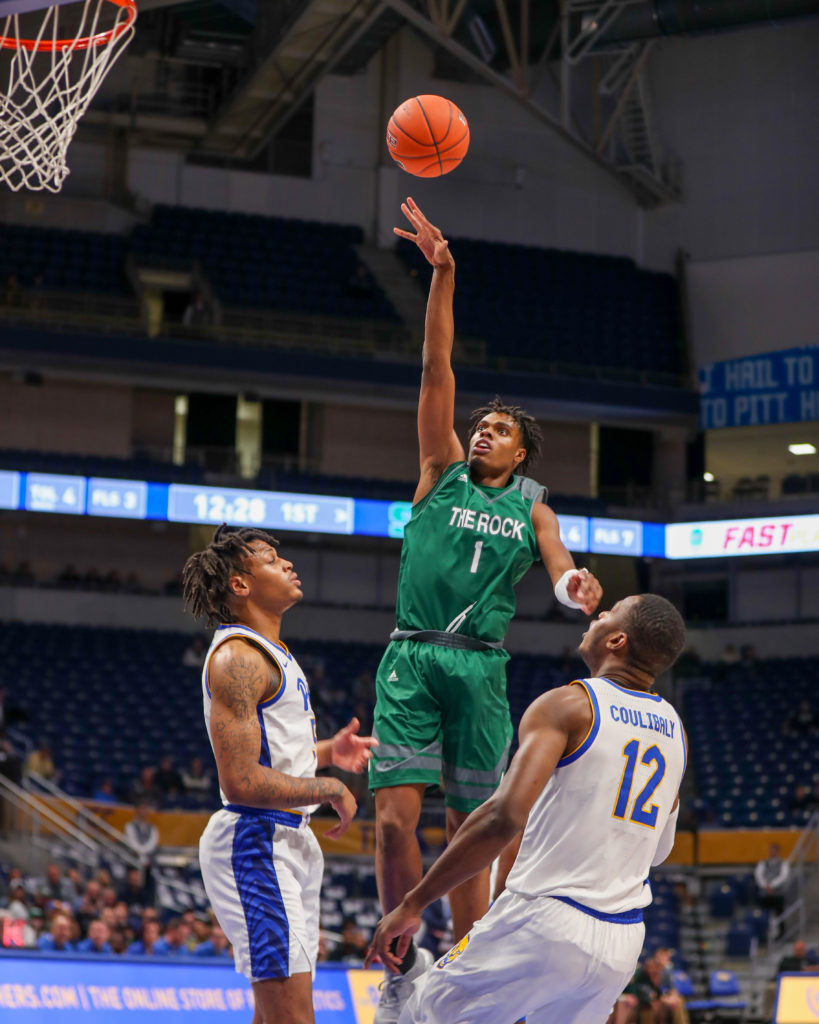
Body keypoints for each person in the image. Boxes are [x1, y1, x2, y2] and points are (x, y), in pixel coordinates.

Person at [369, 198, 603, 1022]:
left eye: (498, 431)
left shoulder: (534, 503)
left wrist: (574, 589)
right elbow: (436, 369)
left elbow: (561, 569)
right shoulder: (439, 469)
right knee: (394, 823)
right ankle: (402, 960)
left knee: (473, 829)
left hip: (481, 670)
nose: (481, 433)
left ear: (522, 452)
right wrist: (443, 273)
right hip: (411, 654)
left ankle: (463, 981)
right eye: (480, 425)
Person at [366, 593, 687, 1024]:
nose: (597, 615)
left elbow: (503, 817)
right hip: (621, 940)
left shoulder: (570, 705)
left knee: (418, 1015)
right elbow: (659, 851)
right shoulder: (675, 730)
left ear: (617, 641)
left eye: (609, 613)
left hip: (547, 920)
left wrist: (413, 903)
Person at [181, 524, 377, 1024]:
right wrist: (328, 785)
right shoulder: (238, 659)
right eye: (271, 559)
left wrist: (330, 751)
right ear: (241, 585)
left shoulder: (273, 654)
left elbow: (272, 755)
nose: (287, 564)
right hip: (254, 839)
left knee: (274, 1015)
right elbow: (241, 781)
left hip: (285, 839)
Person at [755, 842, 790, 921]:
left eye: (773, 851)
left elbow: (783, 876)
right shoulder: (763, 863)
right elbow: (758, 875)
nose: (771, 852)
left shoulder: (783, 863)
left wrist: (772, 886)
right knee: (763, 914)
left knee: (779, 914)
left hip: (777, 893)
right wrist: (765, 886)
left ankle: (781, 931)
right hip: (765, 893)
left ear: (778, 851)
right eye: (770, 850)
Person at [124, 801, 159, 866]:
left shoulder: (152, 828)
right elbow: (131, 842)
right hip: (134, 858)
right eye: (140, 808)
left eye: (144, 808)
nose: (142, 811)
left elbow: (153, 842)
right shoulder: (130, 826)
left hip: (148, 858)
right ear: (137, 810)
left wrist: (144, 853)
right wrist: (141, 854)